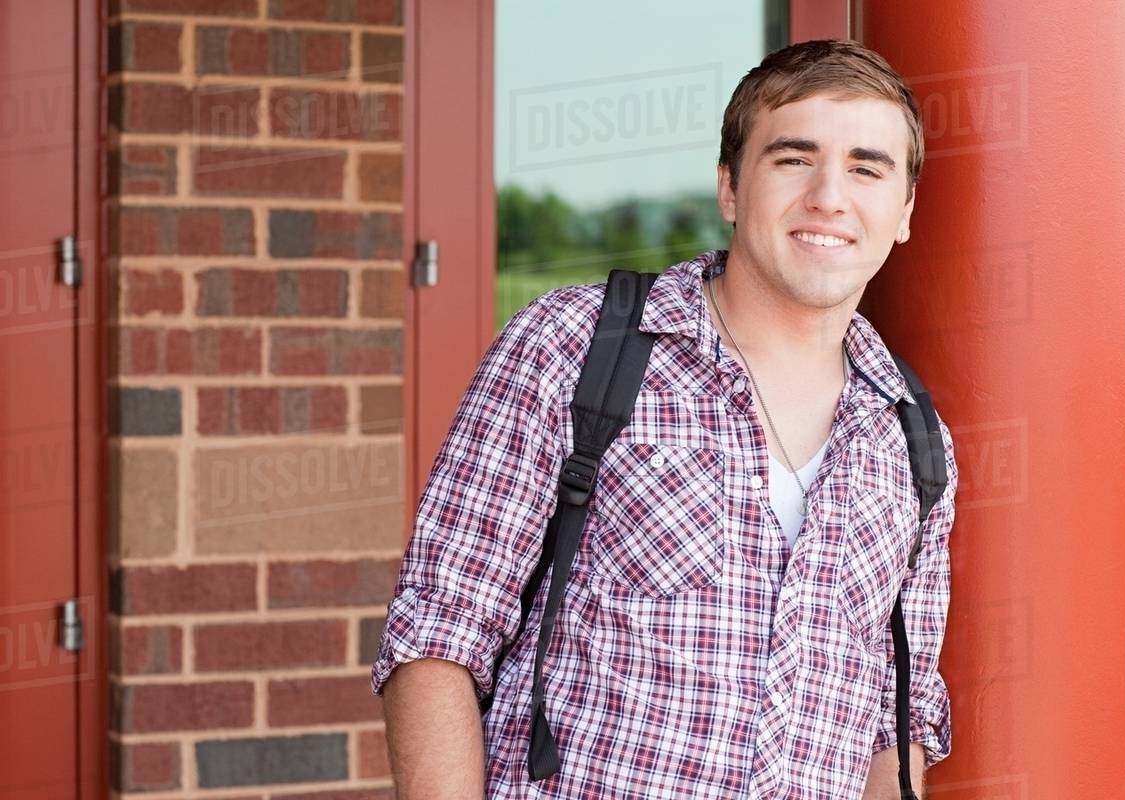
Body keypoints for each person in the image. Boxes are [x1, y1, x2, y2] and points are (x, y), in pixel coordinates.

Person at [370, 38, 958, 800]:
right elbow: (439, 635)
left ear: (904, 212)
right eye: (793, 158)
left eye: (867, 168)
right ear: (730, 188)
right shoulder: (573, 348)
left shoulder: (912, 440)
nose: (829, 197)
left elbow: (896, 718)